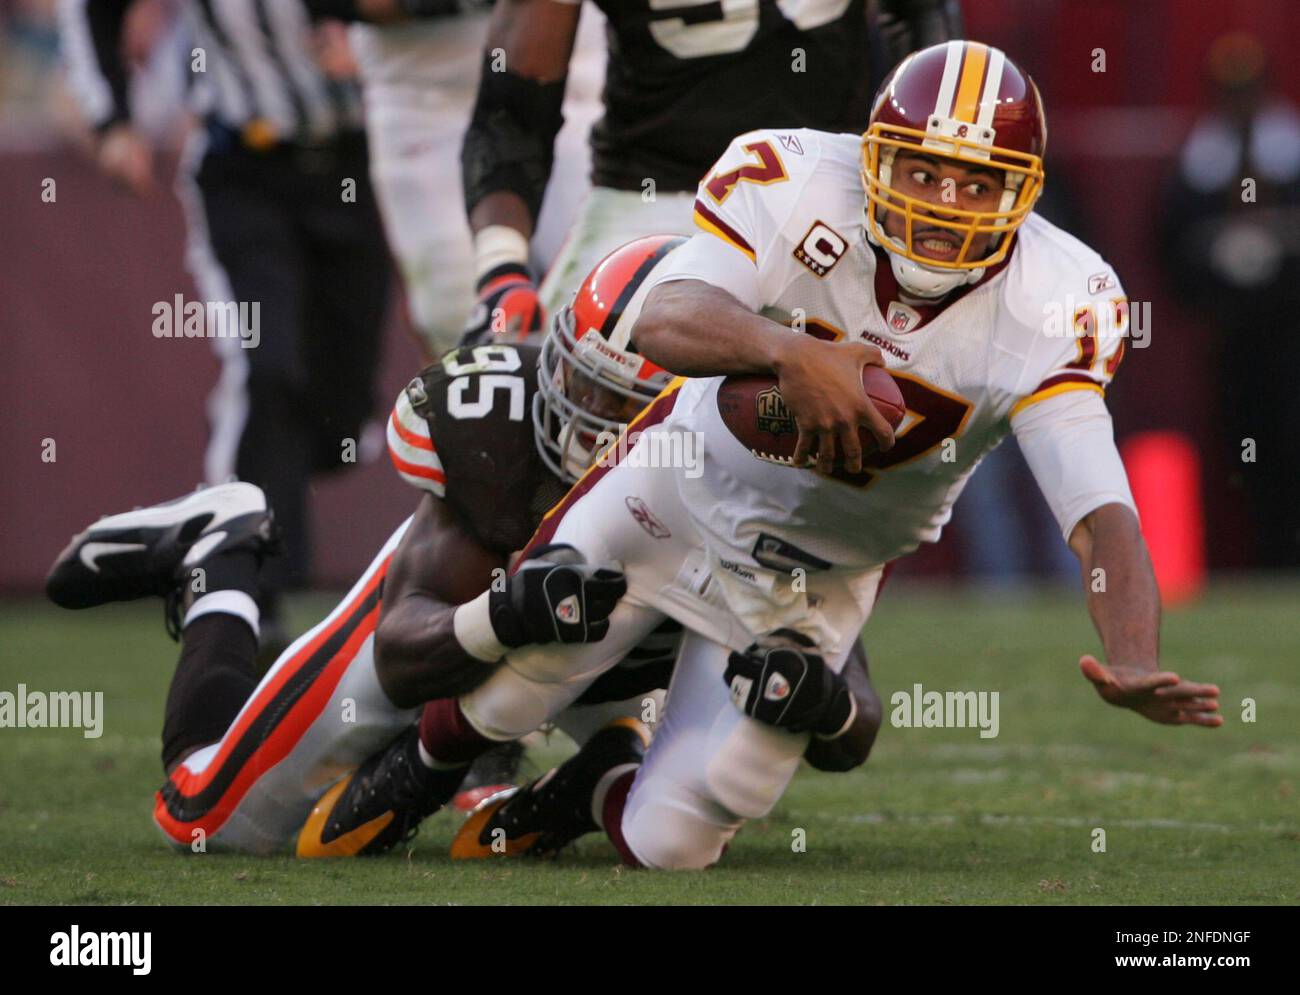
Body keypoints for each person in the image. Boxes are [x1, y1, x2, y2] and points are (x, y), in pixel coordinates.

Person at [331, 41, 1223, 871]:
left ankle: (587, 790)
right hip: (679, 477)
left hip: (823, 572)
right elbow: (665, 313)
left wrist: (1134, 653)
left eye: (976, 184)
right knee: (519, 681)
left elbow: (1098, 512)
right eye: (923, 171)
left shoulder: (1059, 299)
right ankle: (424, 762)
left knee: (679, 837)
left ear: (1022, 194)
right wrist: (791, 354)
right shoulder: (794, 177)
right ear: (875, 159)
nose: (944, 205)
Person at [44, 236, 886, 857]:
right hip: (472, 626)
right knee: (211, 820)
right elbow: (405, 652)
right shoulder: (499, 444)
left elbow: (851, 722)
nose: (584, 425)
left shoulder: (763, 483)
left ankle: (595, 774)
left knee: (694, 786)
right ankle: (219, 555)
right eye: (578, 383)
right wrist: (503, 615)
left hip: (623, 660)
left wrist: (814, 699)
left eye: (618, 408)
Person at [458, 0, 963, 342]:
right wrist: (501, 273)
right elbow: (512, 111)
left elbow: (929, 48)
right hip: (652, 201)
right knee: (552, 422)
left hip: (826, 195)